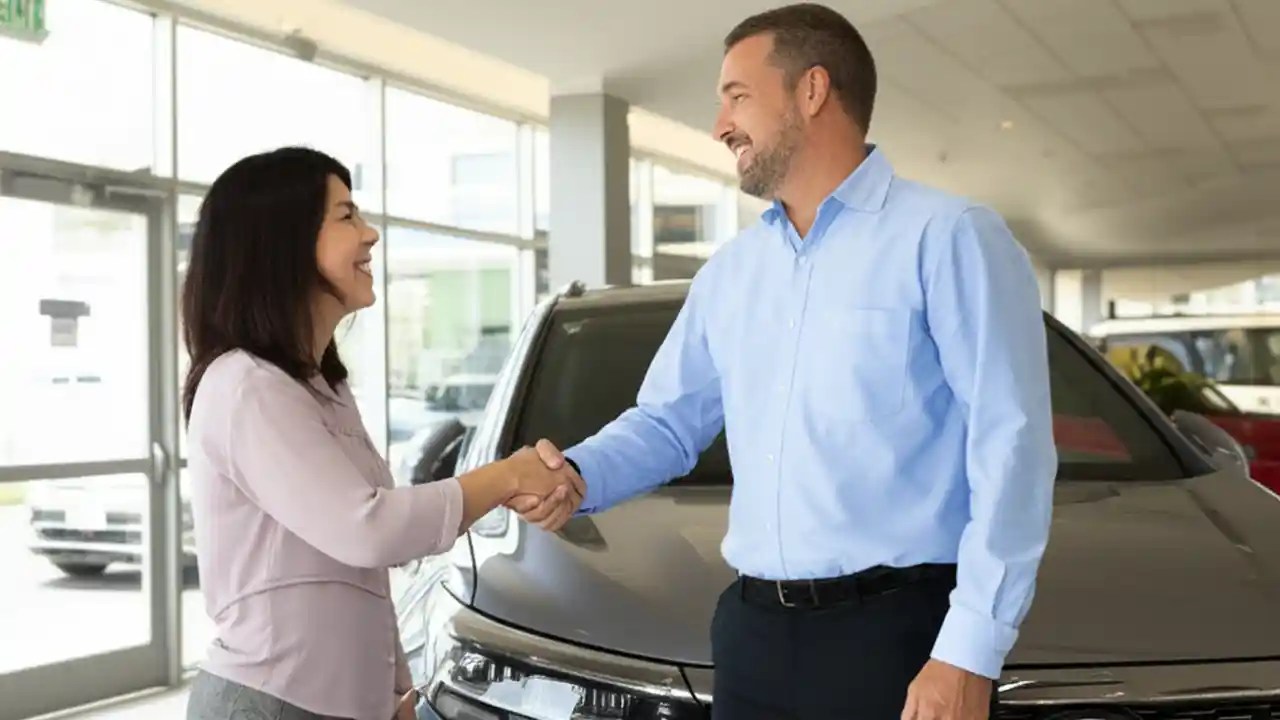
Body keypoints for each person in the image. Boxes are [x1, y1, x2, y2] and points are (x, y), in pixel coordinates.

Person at [513, 4, 1057, 719]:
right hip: (752, 637)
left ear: (812, 91)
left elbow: (1011, 445)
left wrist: (968, 650)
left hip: (895, 638)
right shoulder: (733, 273)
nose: (719, 126)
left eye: (737, 96)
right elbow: (669, 423)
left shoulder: (948, 237)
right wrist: (578, 476)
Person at [181, 147, 581, 720]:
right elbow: (367, 529)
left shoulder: (320, 386)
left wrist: (393, 688)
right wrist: (508, 475)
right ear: (281, 240)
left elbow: (357, 573)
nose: (370, 235)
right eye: (346, 216)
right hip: (270, 701)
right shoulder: (246, 385)